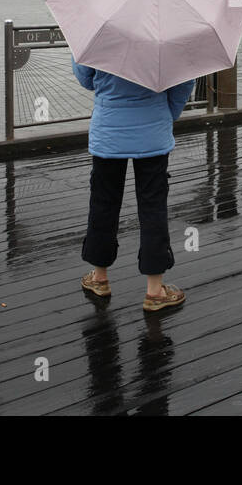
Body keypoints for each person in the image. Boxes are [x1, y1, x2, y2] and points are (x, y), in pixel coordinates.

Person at [74, 61, 196, 311]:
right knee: (153, 206)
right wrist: (165, 113)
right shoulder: (165, 38)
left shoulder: (100, 32)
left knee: (103, 203)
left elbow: (86, 79)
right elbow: (185, 81)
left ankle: (99, 277)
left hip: (109, 133)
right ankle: (154, 291)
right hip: (153, 133)